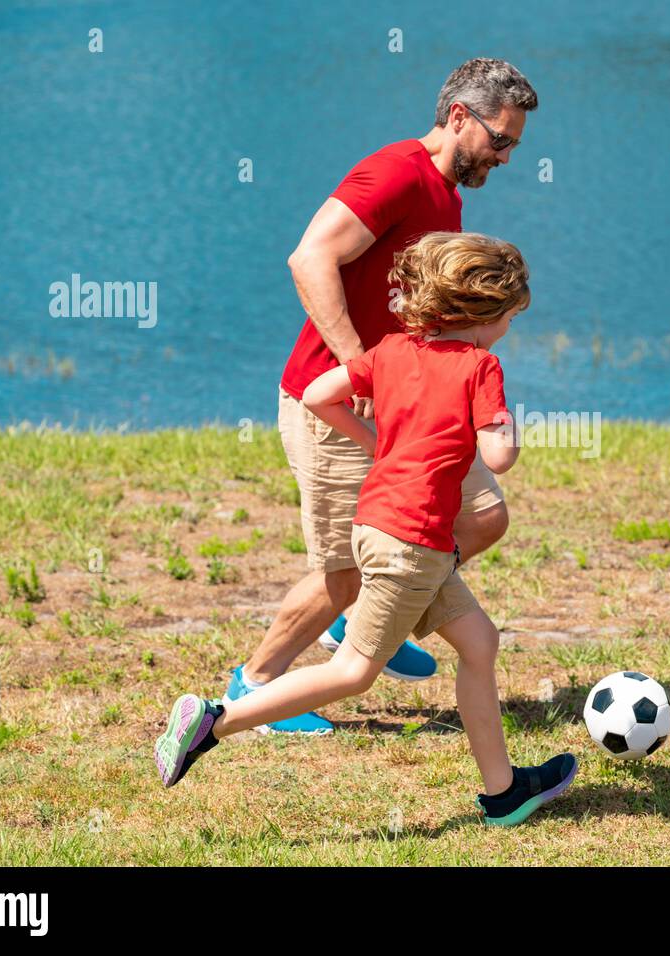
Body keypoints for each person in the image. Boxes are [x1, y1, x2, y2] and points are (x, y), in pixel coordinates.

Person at [155, 232, 577, 826]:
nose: (509, 328)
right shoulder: (482, 366)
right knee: (353, 672)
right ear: (485, 316)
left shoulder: (391, 351)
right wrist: (503, 425)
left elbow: (320, 392)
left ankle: (504, 791)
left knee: (479, 642)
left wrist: (380, 446)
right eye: (510, 316)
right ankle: (215, 721)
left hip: (379, 529)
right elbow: (499, 456)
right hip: (413, 546)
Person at [226, 58, 540, 733]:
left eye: (514, 144)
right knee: (343, 572)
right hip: (334, 403)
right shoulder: (395, 172)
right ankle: (253, 685)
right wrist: (357, 365)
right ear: (459, 117)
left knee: (481, 514)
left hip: (405, 405)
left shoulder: (447, 196)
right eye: (500, 139)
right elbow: (309, 258)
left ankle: (376, 619)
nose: (507, 157)